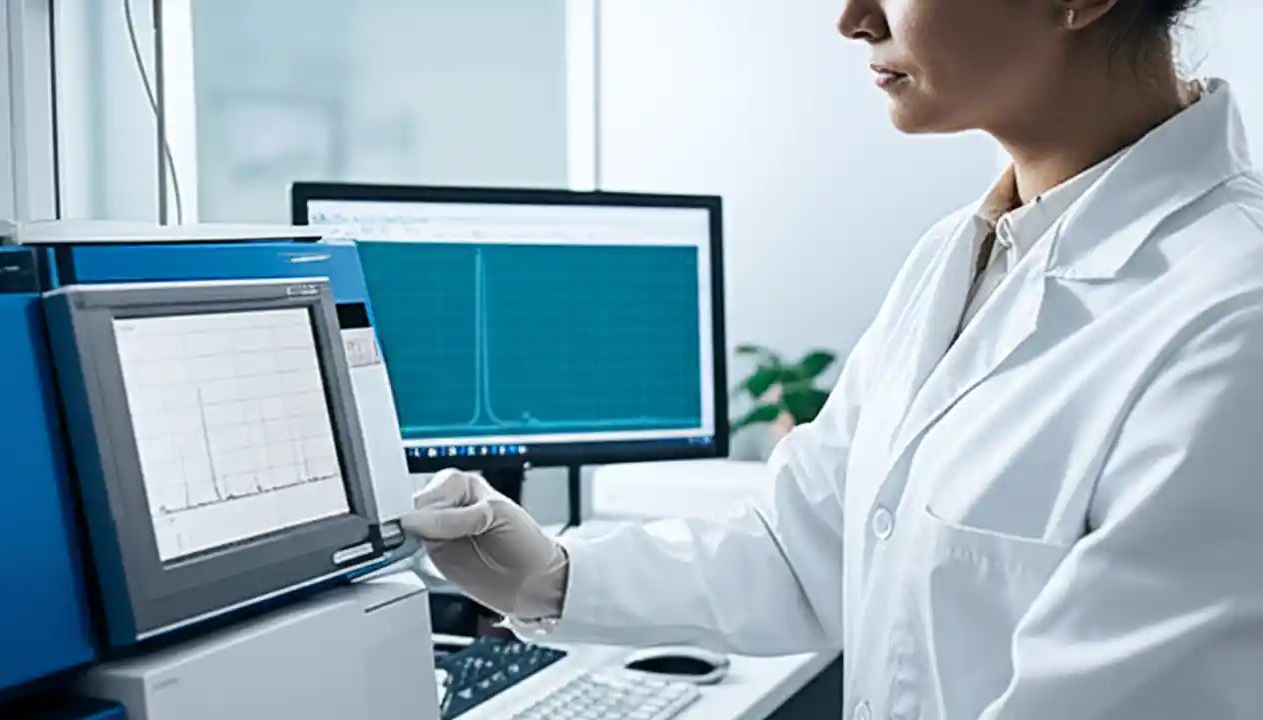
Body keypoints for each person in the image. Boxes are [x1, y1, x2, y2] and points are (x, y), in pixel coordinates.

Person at [402, 0, 1263, 717]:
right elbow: (809, 544)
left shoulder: (1231, 315)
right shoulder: (960, 257)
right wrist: (553, 576)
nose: (851, 18)